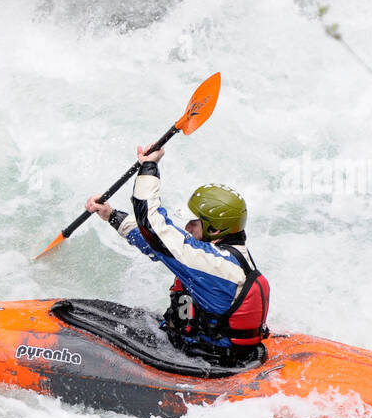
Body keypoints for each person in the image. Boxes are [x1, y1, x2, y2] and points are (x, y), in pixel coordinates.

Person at [84, 143, 270, 366]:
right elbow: (157, 245)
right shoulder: (221, 257)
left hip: (205, 361)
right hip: (195, 348)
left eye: (194, 222)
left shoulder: (216, 266)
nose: (188, 227)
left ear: (216, 230)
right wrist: (111, 215)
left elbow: (153, 227)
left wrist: (150, 166)